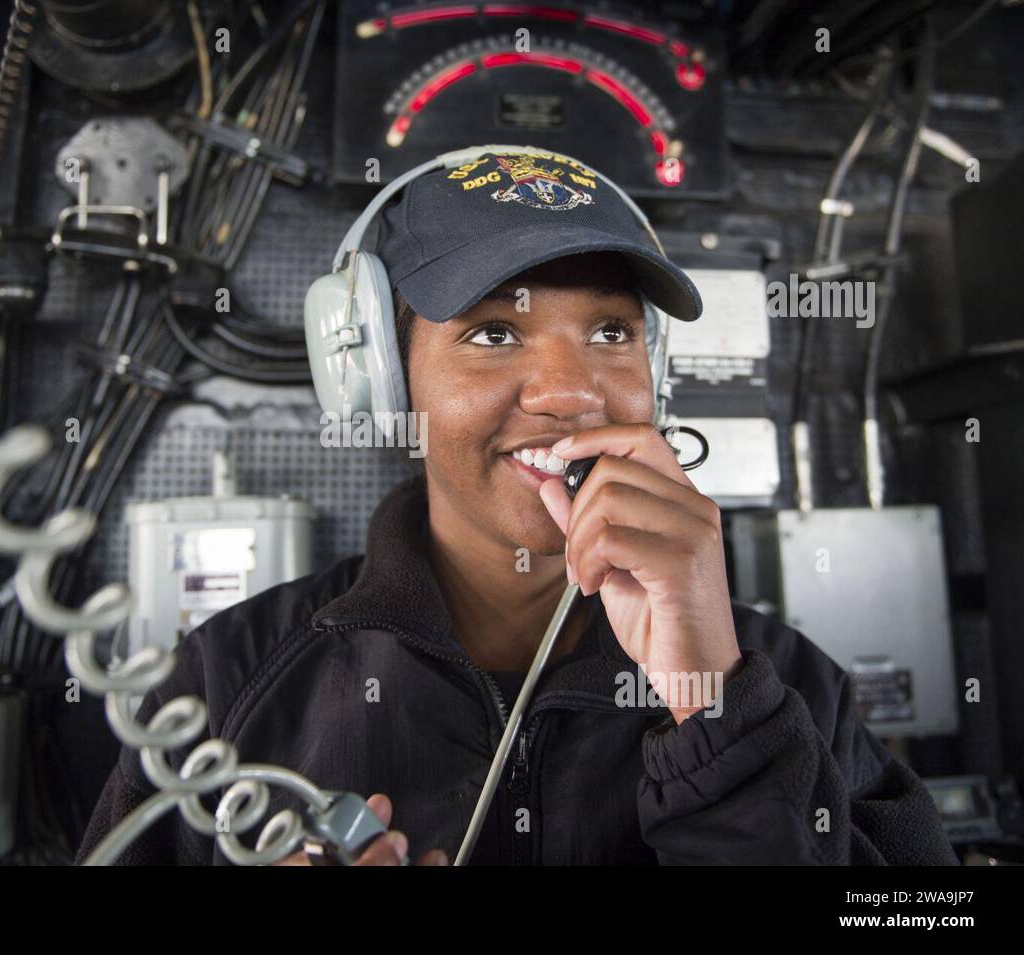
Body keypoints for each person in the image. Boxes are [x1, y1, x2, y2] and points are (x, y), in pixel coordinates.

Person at [76, 149, 957, 865]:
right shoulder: (230, 680)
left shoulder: (785, 685)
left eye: (611, 332)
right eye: (494, 333)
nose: (573, 393)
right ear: (380, 379)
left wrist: (715, 708)